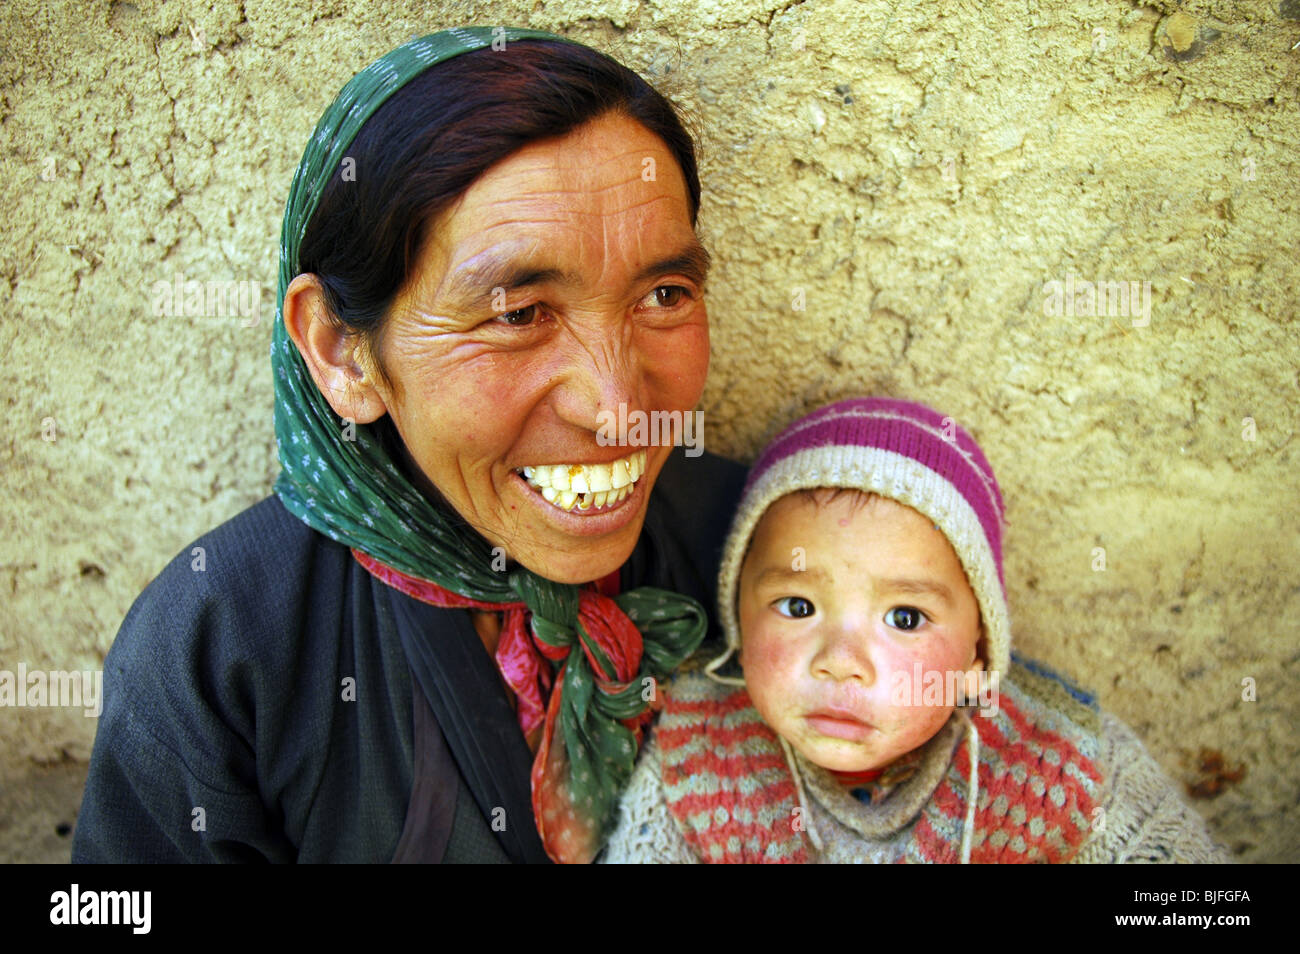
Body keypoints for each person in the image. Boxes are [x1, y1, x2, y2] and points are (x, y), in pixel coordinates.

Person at [72, 26, 745, 864]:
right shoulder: (225, 648)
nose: (616, 410)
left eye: (665, 293)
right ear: (342, 351)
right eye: (517, 314)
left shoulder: (760, 554)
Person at [603, 397, 1230, 862]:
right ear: (738, 611)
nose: (840, 662)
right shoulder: (699, 742)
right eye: (797, 606)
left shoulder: (1058, 764)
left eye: (905, 618)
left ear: (980, 652)